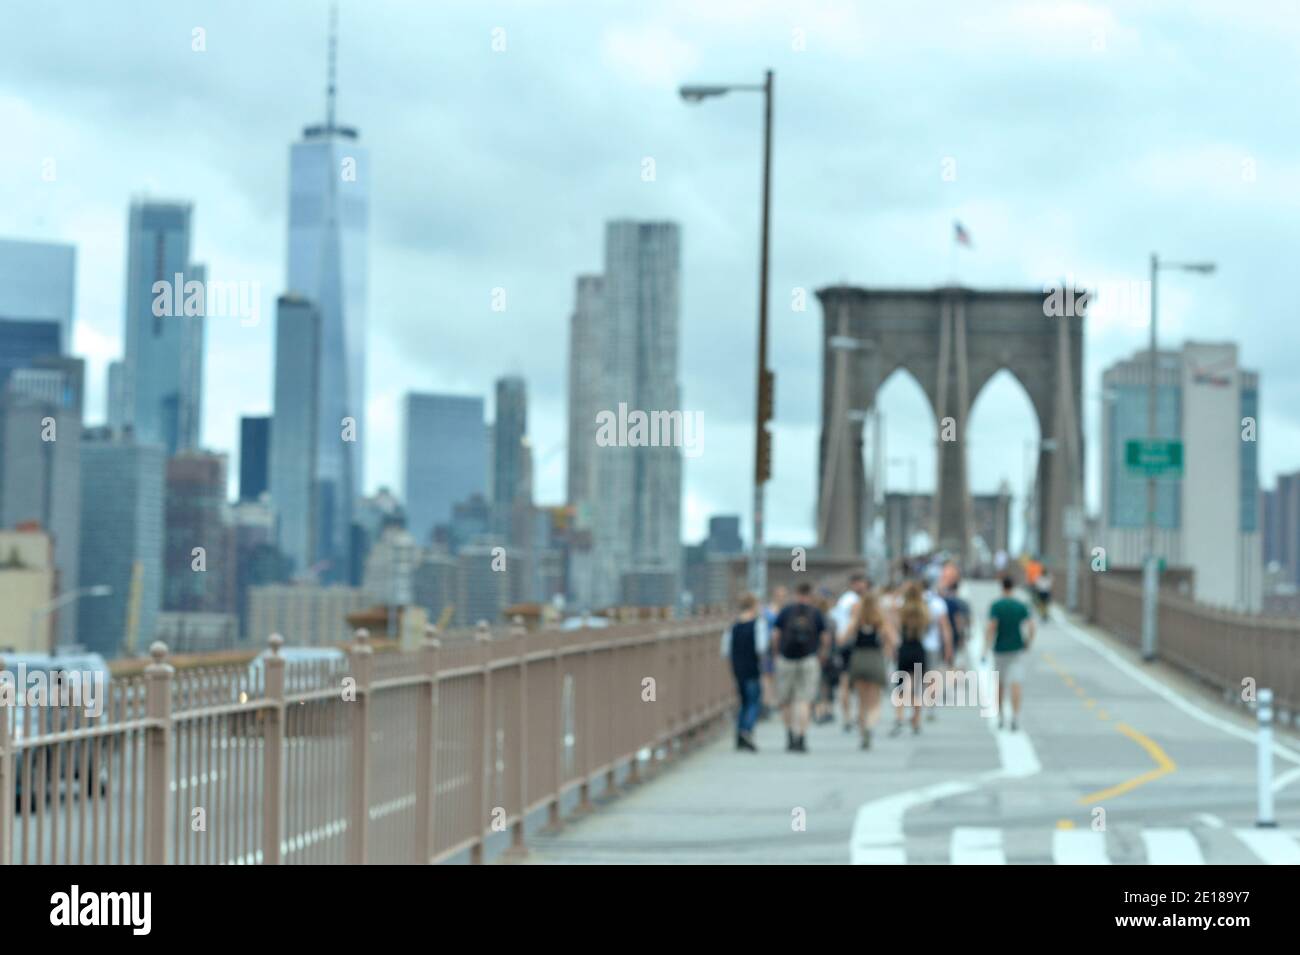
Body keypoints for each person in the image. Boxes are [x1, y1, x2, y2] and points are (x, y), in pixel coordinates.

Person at [771, 582, 832, 752]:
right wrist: (821, 656)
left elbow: (775, 635)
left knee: (786, 700)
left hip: (786, 659)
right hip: (809, 659)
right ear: (810, 595)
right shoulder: (816, 612)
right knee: (804, 700)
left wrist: (776, 655)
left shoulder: (786, 611)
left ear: (796, 593)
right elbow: (826, 638)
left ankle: (790, 736)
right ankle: (802, 738)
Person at [842, 588, 896, 749]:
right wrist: (886, 649)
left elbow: (843, 638)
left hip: (858, 658)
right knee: (875, 701)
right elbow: (893, 640)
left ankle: (862, 729)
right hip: (874, 658)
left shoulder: (857, 620)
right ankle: (870, 726)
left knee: (861, 700)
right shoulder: (881, 621)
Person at [985, 576, 1037, 731]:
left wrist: (987, 645)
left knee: (1000, 684)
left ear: (1002, 587)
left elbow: (992, 627)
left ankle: (1000, 716)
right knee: (1015, 684)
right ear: (1013, 587)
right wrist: (1028, 642)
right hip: (1016, 649)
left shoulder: (996, 605)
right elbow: (1032, 626)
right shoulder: (1020, 606)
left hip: (1000, 649)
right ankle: (1015, 717)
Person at [721, 593, 769, 751]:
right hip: (752, 668)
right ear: (753, 606)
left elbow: (725, 651)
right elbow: (761, 648)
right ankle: (746, 731)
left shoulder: (733, 626)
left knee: (743, 701)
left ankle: (739, 734)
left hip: (737, 668)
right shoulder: (758, 624)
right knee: (753, 702)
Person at [890, 582, 930, 736]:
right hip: (918, 648)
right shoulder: (923, 611)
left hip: (905, 648)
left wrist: (899, 591)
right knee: (917, 688)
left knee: (900, 685)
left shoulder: (902, 611)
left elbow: (893, 617)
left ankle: (899, 717)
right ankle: (916, 720)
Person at [830, 573, 868, 731]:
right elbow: (853, 622)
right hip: (851, 643)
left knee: (844, 681)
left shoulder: (844, 599)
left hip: (842, 642)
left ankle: (847, 717)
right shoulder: (854, 600)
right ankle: (857, 715)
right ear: (856, 583)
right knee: (856, 681)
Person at [920, 579, 953, 720]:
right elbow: (945, 628)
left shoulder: (913, 601)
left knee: (915, 676)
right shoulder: (938, 603)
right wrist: (948, 647)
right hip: (933, 644)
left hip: (915, 644)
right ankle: (931, 708)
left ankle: (915, 708)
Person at [760, 585, 788, 717]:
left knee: (779, 676)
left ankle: (777, 702)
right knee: (767, 675)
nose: (781, 598)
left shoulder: (786, 610)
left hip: (783, 647)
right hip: (769, 646)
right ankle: (767, 703)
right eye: (779, 595)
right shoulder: (767, 611)